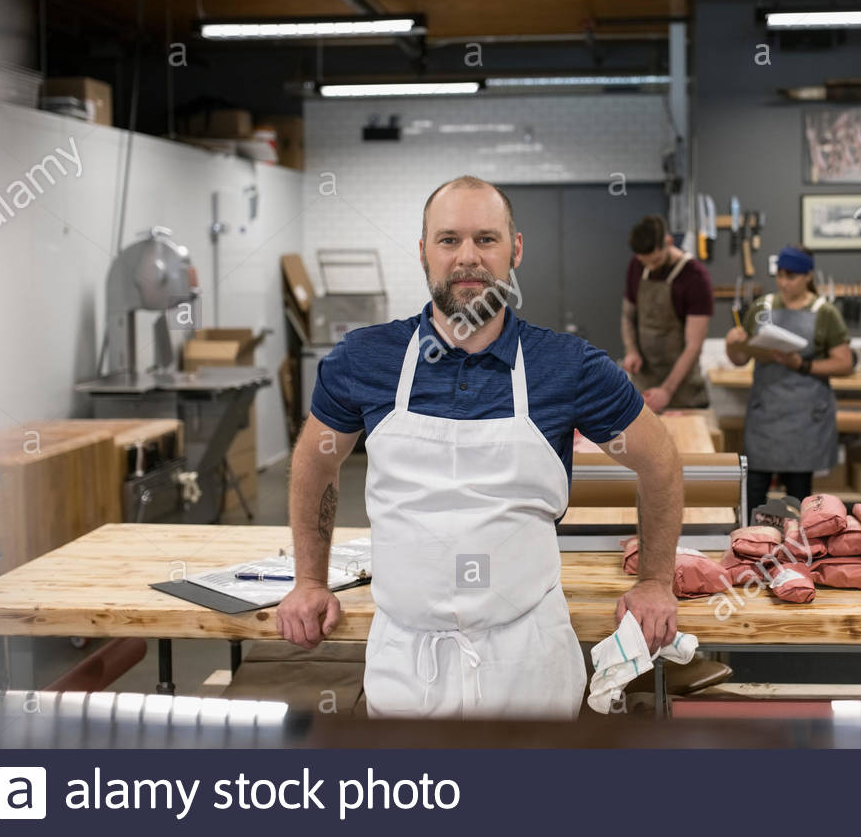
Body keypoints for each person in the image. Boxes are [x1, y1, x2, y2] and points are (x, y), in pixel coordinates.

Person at [276, 175, 683, 719]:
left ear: (515, 249)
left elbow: (659, 463)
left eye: (486, 239)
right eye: (448, 240)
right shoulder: (364, 359)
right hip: (405, 666)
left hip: (530, 664)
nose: (467, 257)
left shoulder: (568, 366)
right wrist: (309, 580)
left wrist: (655, 580)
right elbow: (315, 462)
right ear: (423, 251)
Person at [723, 245, 853, 517]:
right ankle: (752, 547)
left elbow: (844, 363)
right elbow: (740, 359)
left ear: (807, 276)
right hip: (766, 415)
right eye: (779, 275)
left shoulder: (825, 313)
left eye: (791, 276)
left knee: (798, 498)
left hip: (804, 418)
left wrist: (802, 364)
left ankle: (797, 552)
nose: (783, 282)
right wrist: (732, 344)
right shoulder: (763, 307)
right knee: (754, 491)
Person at [620, 215, 713, 412]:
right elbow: (628, 316)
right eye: (645, 263)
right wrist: (632, 350)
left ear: (668, 242)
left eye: (655, 261)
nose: (650, 268)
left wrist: (667, 390)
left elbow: (693, 346)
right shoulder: (636, 266)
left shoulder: (695, 277)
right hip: (644, 385)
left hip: (683, 392)